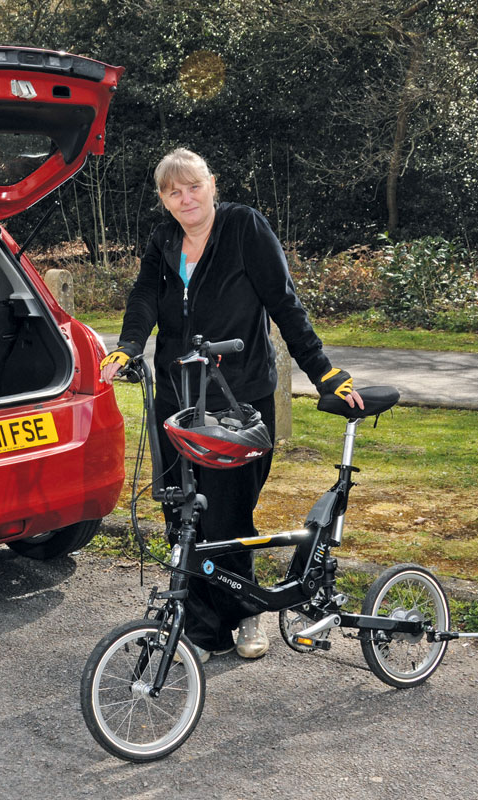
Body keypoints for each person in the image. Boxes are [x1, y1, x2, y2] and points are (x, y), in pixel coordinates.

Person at [100, 148, 363, 662]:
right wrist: (128, 346)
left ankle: (244, 616)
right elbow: (143, 298)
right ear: (163, 199)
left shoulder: (245, 227)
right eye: (173, 191)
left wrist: (324, 372)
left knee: (227, 513)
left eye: (193, 186)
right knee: (183, 511)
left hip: (239, 398)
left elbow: (284, 303)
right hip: (178, 398)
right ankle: (200, 627)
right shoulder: (163, 239)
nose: (185, 197)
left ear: (211, 184)